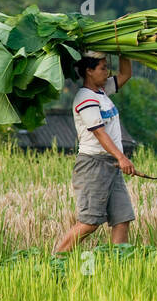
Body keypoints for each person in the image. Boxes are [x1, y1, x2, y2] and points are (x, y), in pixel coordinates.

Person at [54, 51, 136, 252]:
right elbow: (99, 133)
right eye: (103, 68)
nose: (107, 73)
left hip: (112, 164)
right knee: (90, 222)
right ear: (89, 71)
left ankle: (119, 265)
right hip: (93, 165)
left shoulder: (102, 91)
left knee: (122, 219)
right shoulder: (85, 98)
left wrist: (123, 50)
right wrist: (122, 157)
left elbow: (125, 75)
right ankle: (55, 260)